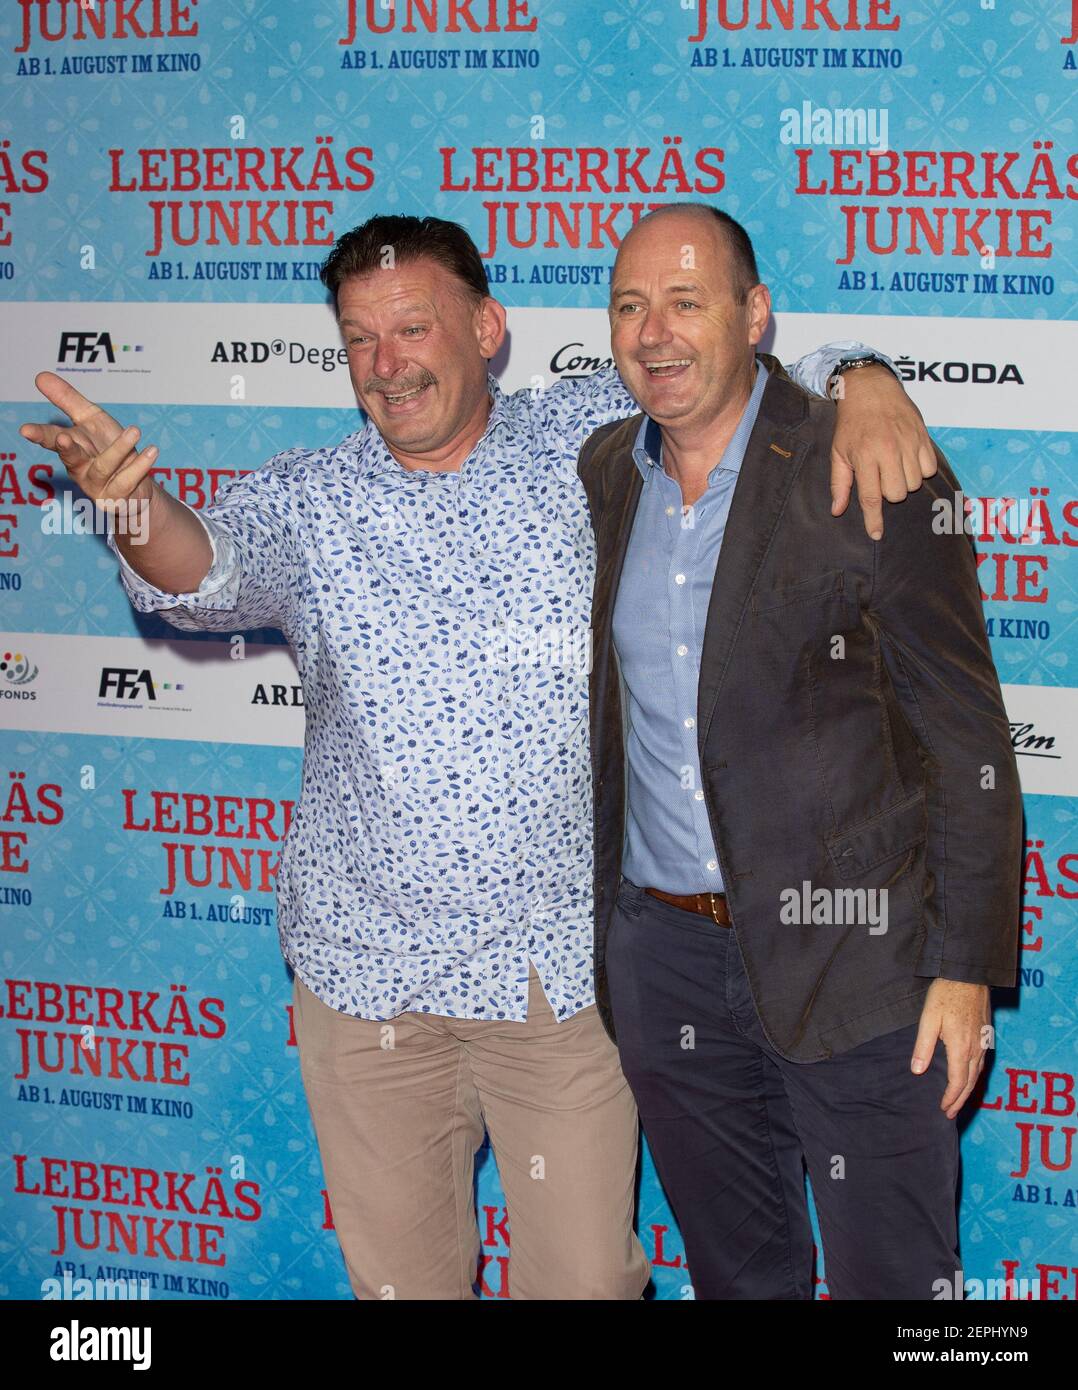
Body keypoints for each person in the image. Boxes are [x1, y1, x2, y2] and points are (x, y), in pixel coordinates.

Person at [20, 213, 935, 1301]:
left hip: (559, 986)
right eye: (359, 339)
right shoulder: (308, 499)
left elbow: (742, 371)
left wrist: (867, 377)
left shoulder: (593, 436)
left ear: (488, 328)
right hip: (370, 993)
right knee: (404, 1287)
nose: (386, 364)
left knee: (588, 1281)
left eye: (412, 327)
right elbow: (205, 568)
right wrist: (127, 504)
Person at [578, 202, 1023, 1300]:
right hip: (667, 958)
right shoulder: (604, 471)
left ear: (755, 315)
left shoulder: (866, 466)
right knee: (741, 1277)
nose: (654, 331)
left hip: (859, 963)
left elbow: (966, 740)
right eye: (629, 305)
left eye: (686, 301)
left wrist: (963, 969)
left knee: (899, 1285)